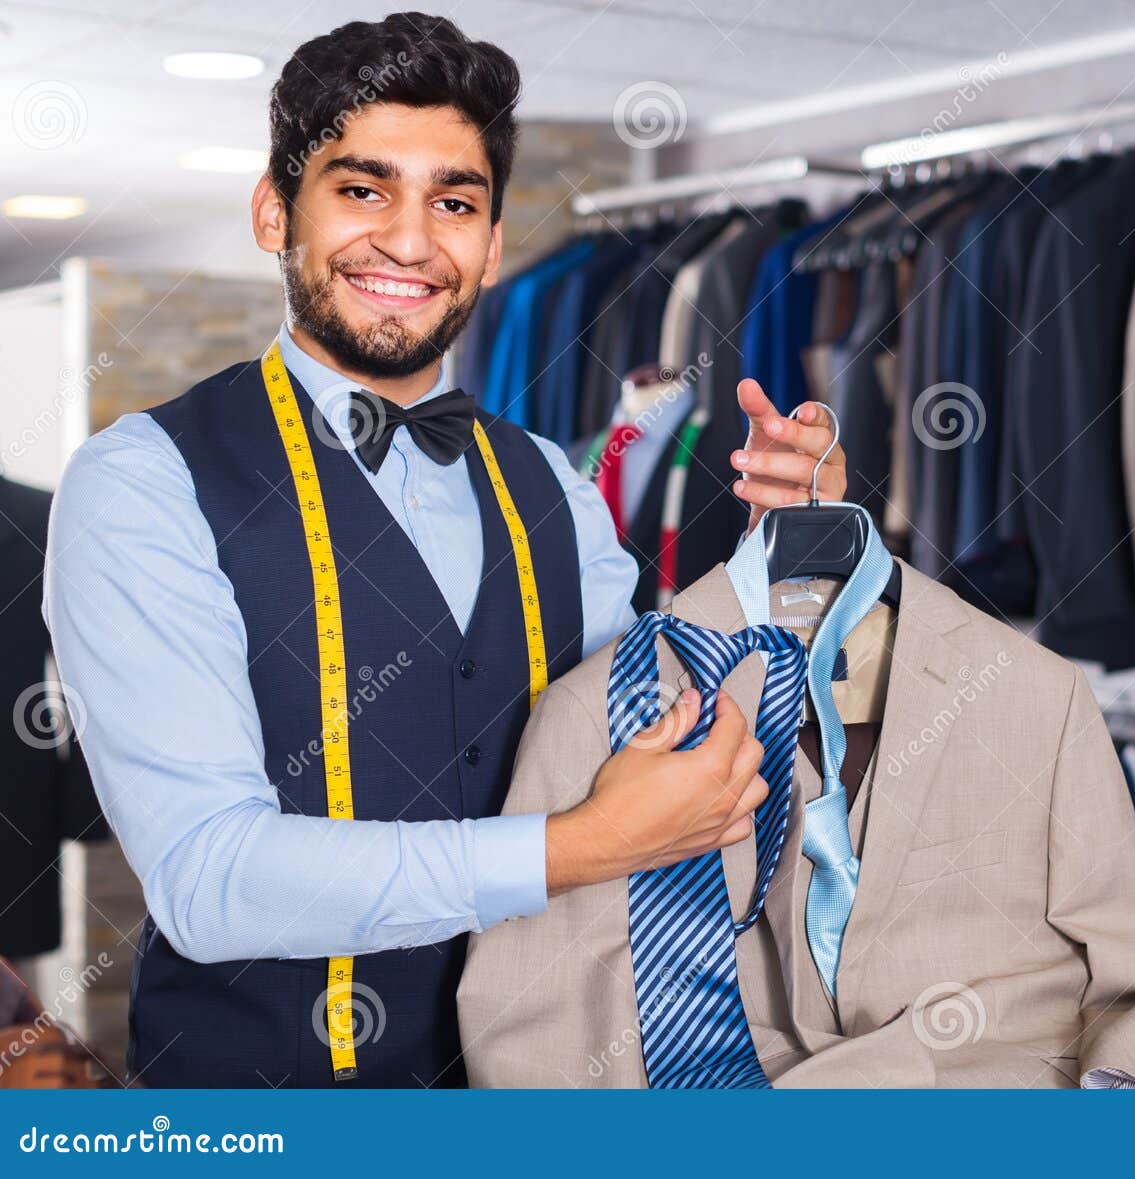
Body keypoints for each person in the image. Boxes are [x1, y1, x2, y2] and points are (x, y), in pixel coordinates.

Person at [42, 12, 847, 1089]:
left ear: (493, 243)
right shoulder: (144, 480)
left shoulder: (551, 486)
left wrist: (787, 560)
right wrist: (579, 847)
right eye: (362, 190)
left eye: (454, 202)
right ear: (274, 210)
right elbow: (208, 877)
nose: (412, 241)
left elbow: (657, 723)